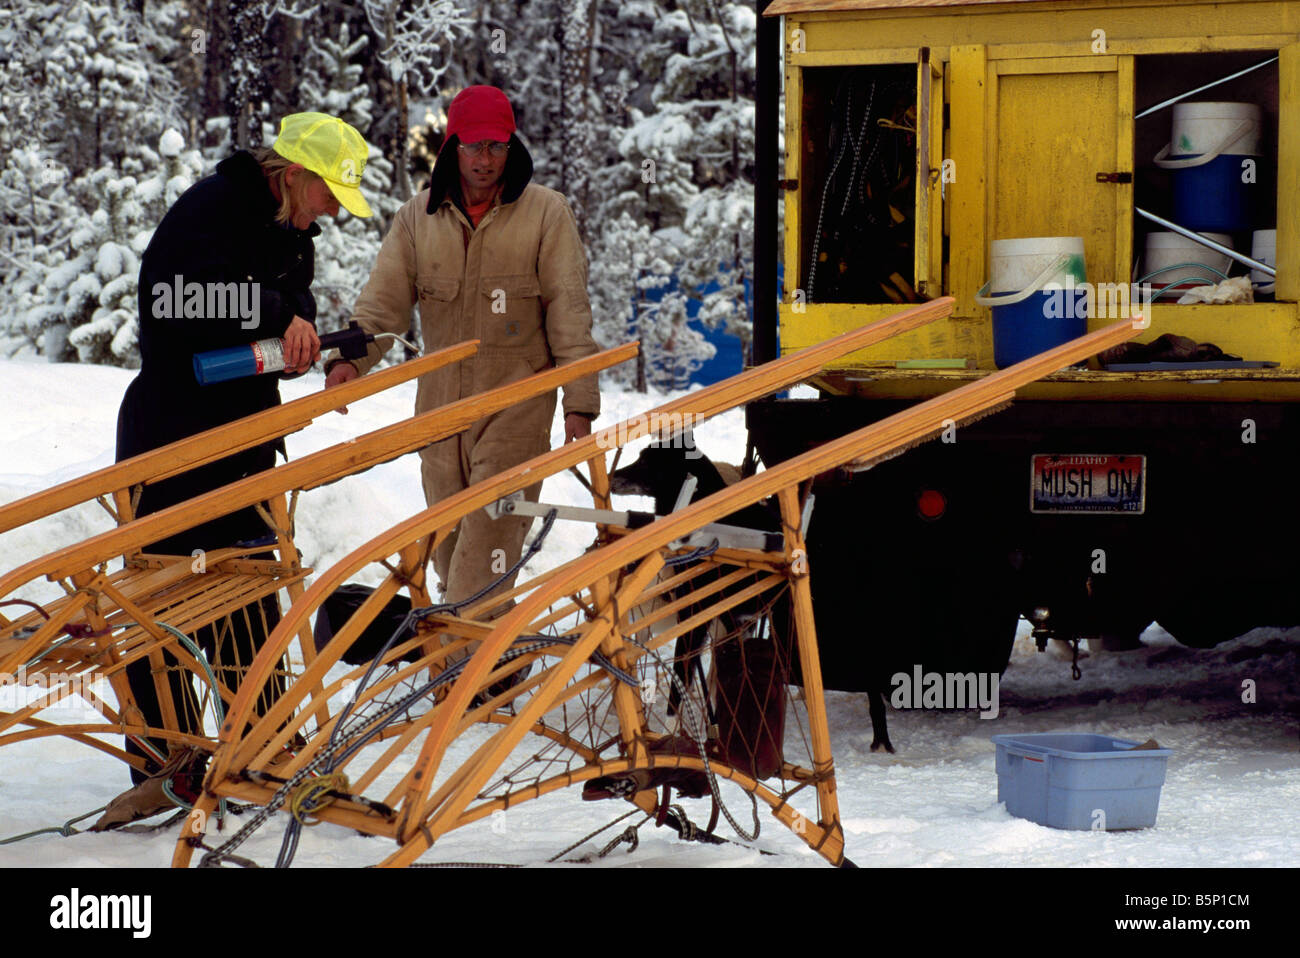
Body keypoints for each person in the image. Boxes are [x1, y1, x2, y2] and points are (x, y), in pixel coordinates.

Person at [97, 113, 372, 828]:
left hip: (244, 428)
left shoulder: (292, 229)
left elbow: (294, 299)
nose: (334, 211)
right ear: (293, 175)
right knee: (160, 592)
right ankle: (165, 760)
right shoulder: (210, 209)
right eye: (330, 194)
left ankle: (263, 738)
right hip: (173, 430)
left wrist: (312, 338)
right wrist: (278, 313)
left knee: (250, 580)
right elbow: (175, 299)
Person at [324, 86, 600, 619]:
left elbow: (569, 308)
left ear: (511, 147)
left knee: (487, 544)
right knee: (449, 553)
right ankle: (483, 666)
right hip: (441, 413)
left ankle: (462, 680)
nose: (484, 160)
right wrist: (348, 364)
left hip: (516, 406)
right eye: (472, 146)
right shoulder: (416, 219)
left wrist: (579, 402)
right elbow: (383, 309)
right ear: (452, 145)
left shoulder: (544, 214)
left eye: (496, 147)